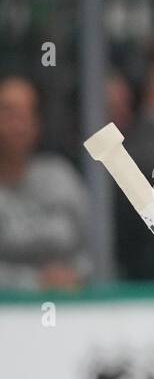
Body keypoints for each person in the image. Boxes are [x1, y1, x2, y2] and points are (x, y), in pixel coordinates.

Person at [0, 76, 89, 291]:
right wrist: (34, 283)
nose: (16, 124)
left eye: (25, 114)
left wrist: (76, 274)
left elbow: (95, 250)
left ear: (36, 124)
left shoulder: (61, 176)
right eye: (8, 113)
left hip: (72, 305)